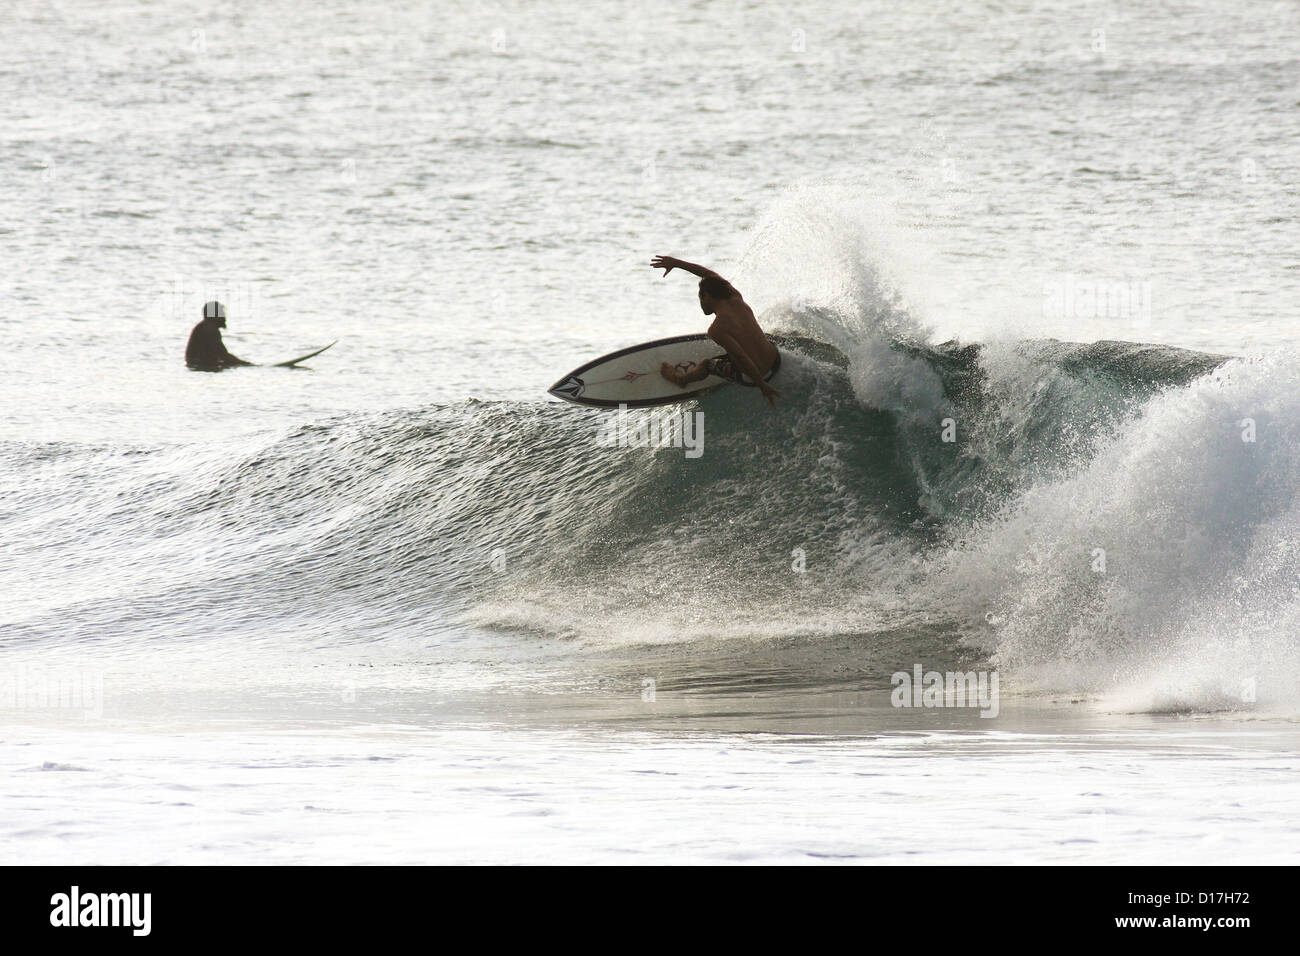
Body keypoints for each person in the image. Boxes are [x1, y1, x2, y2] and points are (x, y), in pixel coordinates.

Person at [650, 256, 781, 407]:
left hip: (756, 376)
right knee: (765, 337)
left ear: (705, 296)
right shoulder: (736, 298)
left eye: (700, 298)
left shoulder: (717, 329)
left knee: (707, 364)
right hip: (776, 360)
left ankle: (681, 379)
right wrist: (677, 263)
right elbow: (708, 275)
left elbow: (741, 356)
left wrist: (761, 385)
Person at [185, 301, 253, 371]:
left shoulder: (205, 327)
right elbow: (223, 355)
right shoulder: (209, 329)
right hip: (201, 365)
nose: (224, 317)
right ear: (215, 315)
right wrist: (246, 364)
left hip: (199, 365)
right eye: (221, 313)